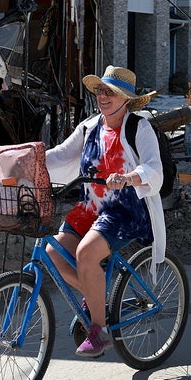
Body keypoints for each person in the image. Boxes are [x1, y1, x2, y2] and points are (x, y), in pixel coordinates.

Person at [44, 66, 167, 358]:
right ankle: (95, 294)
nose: (104, 96)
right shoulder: (89, 126)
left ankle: (99, 332)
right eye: (101, 90)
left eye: (111, 92)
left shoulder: (139, 127)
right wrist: (28, 159)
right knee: (52, 253)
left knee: (85, 254)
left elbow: (154, 169)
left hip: (125, 210)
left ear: (127, 99)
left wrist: (129, 177)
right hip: (91, 207)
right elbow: (62, 154)